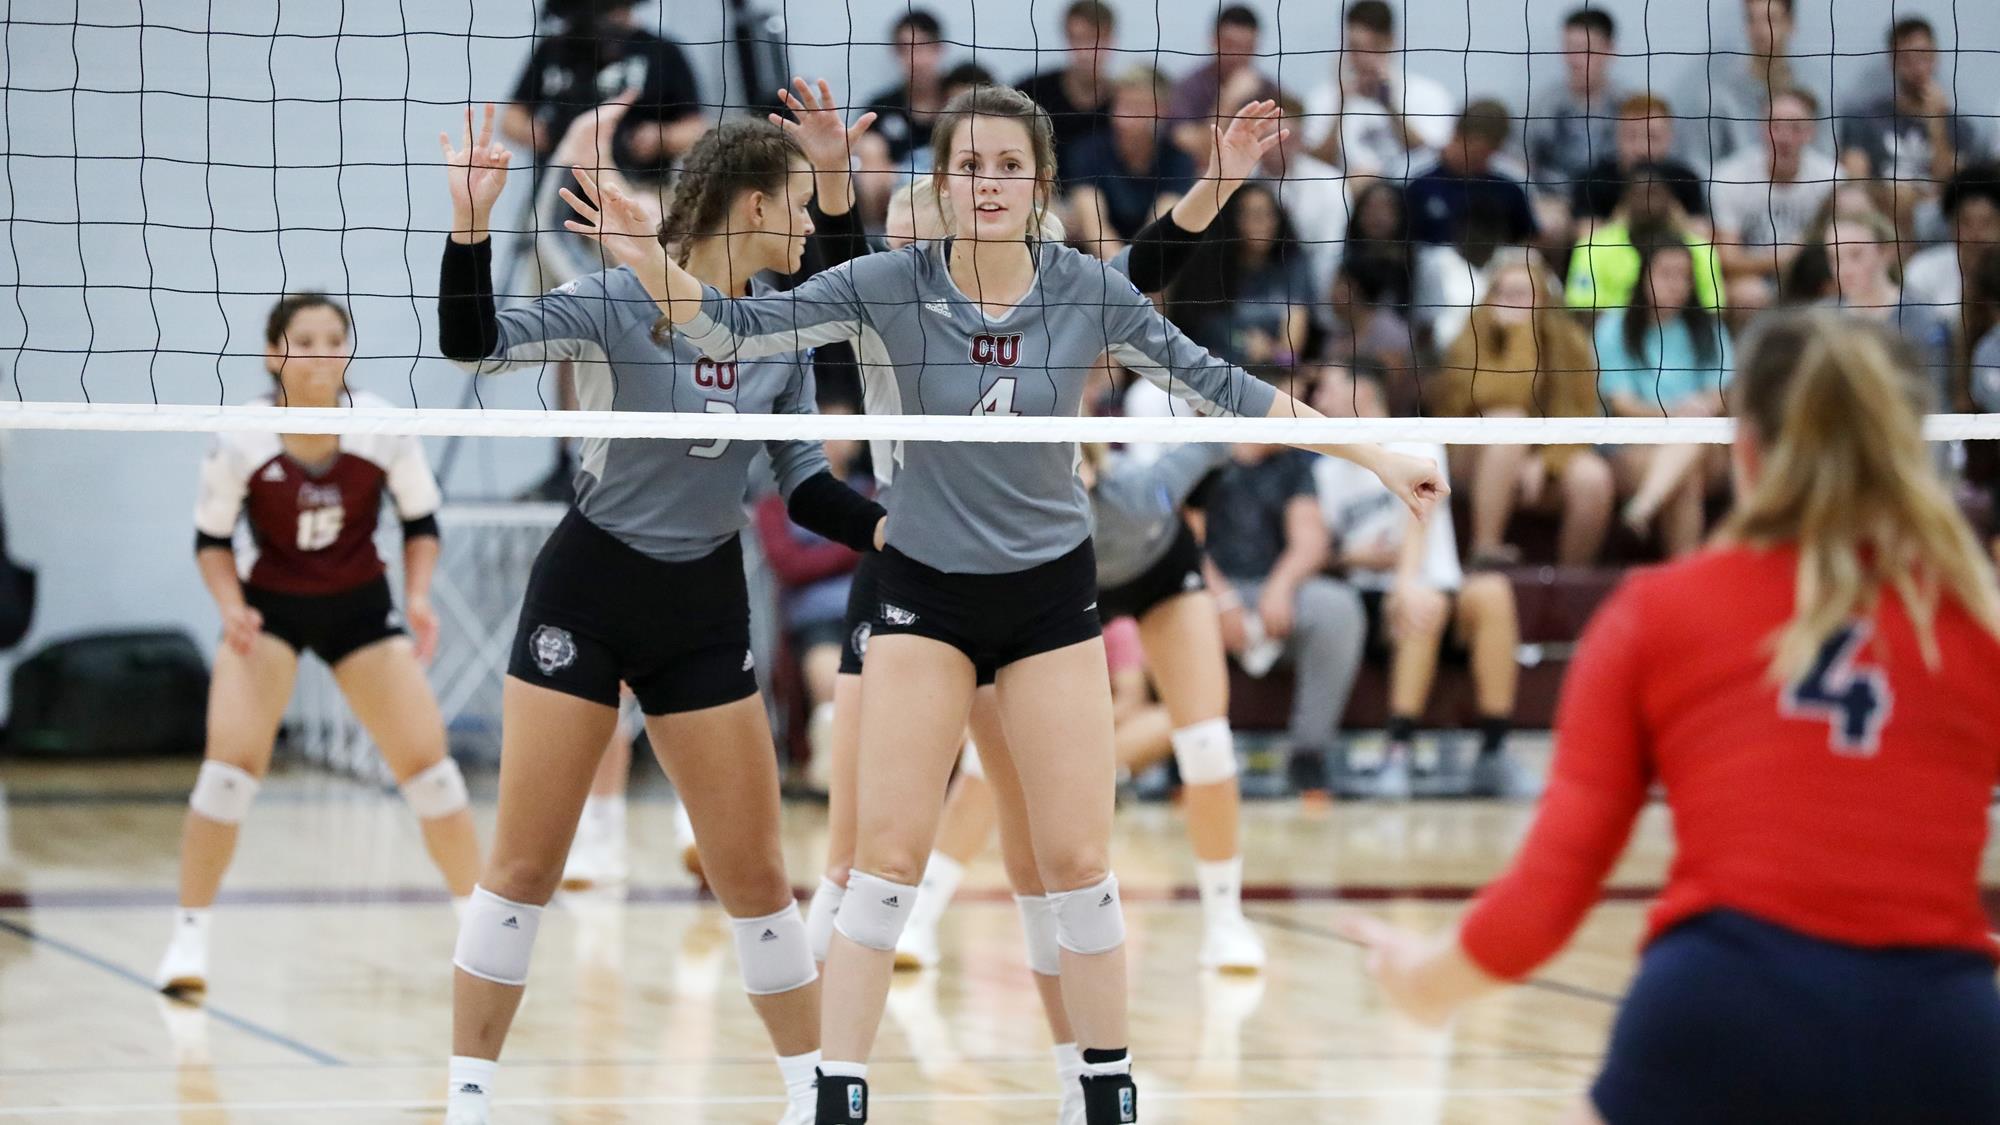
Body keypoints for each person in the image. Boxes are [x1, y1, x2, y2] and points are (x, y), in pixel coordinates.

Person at [559, 82, 1444, 1124]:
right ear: (942, 180)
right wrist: (644, 261)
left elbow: (1225, 386)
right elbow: (738, 326)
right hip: (921, 597)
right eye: (968, 166)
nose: (987, 184)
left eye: (1007, 167)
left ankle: (1100, 1089)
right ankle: (832, 1095)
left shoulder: (1083, 289)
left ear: (1039, 185)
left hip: (1047, 604)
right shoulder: (888, 283)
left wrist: (1375, 452)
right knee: (880, 861)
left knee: (1073, 862)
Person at [1342, 307, 2000, 1125]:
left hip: (1717, 1010)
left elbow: (1557, 881)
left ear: (1745, 449)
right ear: (1910, 446)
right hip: (1945, 1030)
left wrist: (1425, 983)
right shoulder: (1978, 618)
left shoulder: (1659, 613)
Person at [434, 86, 886, 1125]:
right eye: (791, 202)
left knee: (757, 877)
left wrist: (887, 532)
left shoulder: (773, 328)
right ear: (747, 205)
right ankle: (467, 1098)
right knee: (524, 866)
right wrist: (469, 228)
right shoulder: (608, 299)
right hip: (588, 589)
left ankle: (805, 1094)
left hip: (701, 607)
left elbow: (805, 485)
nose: (802, 222)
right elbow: (474, 345)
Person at [154, 293, 482, 998]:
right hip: (269, 609)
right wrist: (231, 605)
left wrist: (418, 595)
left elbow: (422, 521)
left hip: (359, 606)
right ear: (276, 354)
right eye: (306, 341)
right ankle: (188, 939)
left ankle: (478, 930)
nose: (324, 351)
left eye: (336, 338)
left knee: (431, 771)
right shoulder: (241, 433)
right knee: (228, 772)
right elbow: (210, 542)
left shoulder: (382, 425)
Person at [1312, 367, 1525, 799]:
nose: (1319, 397)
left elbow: (1418, 514)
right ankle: (1397, 751)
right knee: (1424, 603)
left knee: (1492, 593)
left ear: (1363, 387)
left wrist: (1404, 579)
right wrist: (1357, 557)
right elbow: (1324, 550)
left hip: (1424, 586)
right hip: (1370, 601)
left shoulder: (1413, 437)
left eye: (1328, 387)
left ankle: (1495, 751)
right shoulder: (1324, 468)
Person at [1194, 444, 1365, 796]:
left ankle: (1307, 755)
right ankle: (1187, 759)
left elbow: (1311, 540)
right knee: (1171, 609)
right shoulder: (1198, 456)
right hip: (1206, 589)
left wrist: (1281, 586)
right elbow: (1183, 541)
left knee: (1337, 608)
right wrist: (1223, 601)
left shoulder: (1293, 465)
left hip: (1273, 591)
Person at [1439, 251, 1613, 568]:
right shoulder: (1469, 338)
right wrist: (1522, 335)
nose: (1513, 303)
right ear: (1490, 299)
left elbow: (1579, 415)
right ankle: (1485, 550)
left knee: (1594, 477)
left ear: (1544, 299)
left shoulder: (1570, 342)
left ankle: (1570, 582)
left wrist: (1546, 461)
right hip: (1472, 456)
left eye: (1523, 294)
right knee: (1509, 422)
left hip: (1539, 458)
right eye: (1504, 293)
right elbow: (1501, 397)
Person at [754, 402, 876, 793]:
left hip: (874, 612)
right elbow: (789, 564)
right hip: (814, 619)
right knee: (831, 678)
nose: (833, 438)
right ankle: (832, 771)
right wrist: (857, 539)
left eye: (842, 428)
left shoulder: (874, 493)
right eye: (824, 428)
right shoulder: (777, 504)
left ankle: (870, 775)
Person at [1593, 236, 1734, 556]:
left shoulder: (1707, 329)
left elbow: (1722, 393)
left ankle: (1643, 507)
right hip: (1634, 445)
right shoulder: (1615, 327)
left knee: (1692, 436)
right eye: (1665, 273)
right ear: (1645, 277)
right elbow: (1622, 405)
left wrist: (1694, 413)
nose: (1675, 283)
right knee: (1686, 477)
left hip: (1702, 444)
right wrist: (1678, 414)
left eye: (1683, 275)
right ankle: (1685, 584)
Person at [501, 0, 703, 172]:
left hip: (636, 188)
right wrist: (539, 133)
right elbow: (512, 119)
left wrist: (660, 138)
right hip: (560, 188)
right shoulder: (553, 49)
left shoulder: (662, 52)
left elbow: (696, 128)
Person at [1711, 87, 1840, 312]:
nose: (1784, 138)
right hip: (1755, 278)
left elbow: (1839, 250)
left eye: (1795, 128)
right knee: (1748, 294)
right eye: (1775, 126)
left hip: (1811, 275)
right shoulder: (1730, 177)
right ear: (1761, 129)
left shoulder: (1832, 179)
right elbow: (1727, 259)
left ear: (1811, 132)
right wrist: (1785, 258)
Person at [1167, 181, 1317, 371]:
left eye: (1269, 214)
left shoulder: (1292, 264)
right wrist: (1242, 343)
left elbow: (1290, 354)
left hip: (1272, 374)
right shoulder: (1208, 266)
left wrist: (1271, 352)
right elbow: (1196, 334)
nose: (1262, 223)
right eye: (1252, 215)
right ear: (1233, 220)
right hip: (1209, 370)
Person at [1302, 0, 1458, 183]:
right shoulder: (1323, 97)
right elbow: (1317, 161)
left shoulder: (1429, 94)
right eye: (1356, 48)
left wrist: (1390, 104)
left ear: (1390, 42)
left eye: (1373, 47)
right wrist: (1340, 104)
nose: (1365, 58)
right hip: (1345, 198)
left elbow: (1431, 157)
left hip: (1407, 197)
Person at [1838, 18, 1985, 206]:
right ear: (1892, 60)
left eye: (1924, 56)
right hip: (1884, 210)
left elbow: (1952, 191)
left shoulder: (1959, 127)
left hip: (1934, 214)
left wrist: (1937, 122)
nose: (1917, 67)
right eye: (1907, 58)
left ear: (1936, 58)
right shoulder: (1863, 118)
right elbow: (1856, 182)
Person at [1677, 0, 1829, 169]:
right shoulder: (1716, 98)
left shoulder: (1818, 92)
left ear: (1791, 25)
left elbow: (1827, 160)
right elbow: (1700, 166)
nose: (1760, 30)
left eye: (1770, 19)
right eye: (1752, 20)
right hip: (1734, 194)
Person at [1068, 67, 1197, 260]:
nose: (1123, 117)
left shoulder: (1177, 159)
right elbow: (1093, 227)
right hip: (1096, 263)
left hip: (1150, 263)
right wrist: (1122, 273)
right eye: (1120, 105)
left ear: (1159, 112)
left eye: (1136, 108)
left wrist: (1136, 272)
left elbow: (1158, 230)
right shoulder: (1088, 151)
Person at [1521, 8, 1627, 237]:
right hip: (1556, 207)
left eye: (1585, 50)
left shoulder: (1627, 107)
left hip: (1612, 207)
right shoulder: (1544, 106)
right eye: (1569, 50)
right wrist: (1536, 201)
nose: (1575, 61)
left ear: (1610, 51)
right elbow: (1520, 165)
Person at [1567, 168, 1726, 313]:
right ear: (1624, 203)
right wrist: (1638, 323)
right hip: (1612, 339)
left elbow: (1713, 309)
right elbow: (1582, 308)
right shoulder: (1593, 246)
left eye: (1655, 193)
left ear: (1672, 203)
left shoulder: (1699, 248)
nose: (1648, 201)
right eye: (1640, 194)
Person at [1166, 5, 1291, 165]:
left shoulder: (1269, 90)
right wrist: (1229, 101)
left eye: (1247, 47)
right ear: (1214, 41)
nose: (1237, 55)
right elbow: (1201, 154)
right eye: (1230, 45)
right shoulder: (1189, 88)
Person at [1404, 100, 1539, 249]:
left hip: (1497, 264)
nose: (1481, 159)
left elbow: (1530, 238)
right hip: (1430, 261)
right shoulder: (1413, 174)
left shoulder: (1511, 183)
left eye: (1488, 153)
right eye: (1475, 152)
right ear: (1457, 135)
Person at [1569, 93, 1709, 230]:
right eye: (1631, 137)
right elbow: (1586, 240)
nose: (1642, 148)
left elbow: (1703, 238)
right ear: (1617, 137)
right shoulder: (1593, 182)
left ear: (1669, 138)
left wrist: (1672, 213)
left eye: (1652, 137)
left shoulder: (1685, 180)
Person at [1017, 0, 1119, 182]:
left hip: (1101, 203)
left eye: (1096, 39)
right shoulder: (1031, 92)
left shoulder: (1123, 102)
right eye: (1079, 39)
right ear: (1067, 38)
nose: (1087, 50)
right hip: (1042, 195)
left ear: (1112, 40)